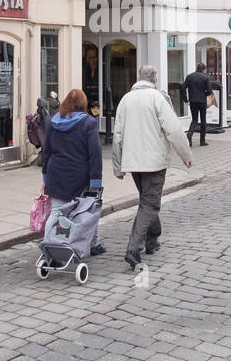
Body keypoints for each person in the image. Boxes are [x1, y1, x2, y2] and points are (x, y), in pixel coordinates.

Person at [112, 64, 193, 270]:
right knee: (150, 203)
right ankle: (133, 248)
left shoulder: (125, 100)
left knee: (147, 200)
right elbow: (173, 129)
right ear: (154, 79)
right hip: (154, 161)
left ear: (139, 77)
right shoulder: (158, 98)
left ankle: (152, 239)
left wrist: (118, 166)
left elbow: (117, 136)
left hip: (133, 161)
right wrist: (186, 155)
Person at [41, 89, 105, 256]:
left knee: (55, 212)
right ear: (83, 105)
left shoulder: (53, 122)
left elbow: (46, 151)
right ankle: (92, 243)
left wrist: (45, 175)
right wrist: (96, 181)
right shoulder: (89, 123)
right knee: (88, 211)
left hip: (56, 174)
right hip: (80, 176)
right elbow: (94, 154)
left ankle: (48, 247)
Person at [183, 62, 214, 146]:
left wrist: (185, 99)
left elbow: (183, 88)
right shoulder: (205, 77)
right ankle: (202, 141)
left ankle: (189, 134)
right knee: (203, 119)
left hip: (193, 101)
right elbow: (209, 91)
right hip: (202, 101)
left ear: (196, 68)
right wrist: (205, 94)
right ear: (204, 69)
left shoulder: (189, 76)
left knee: (194, 119)